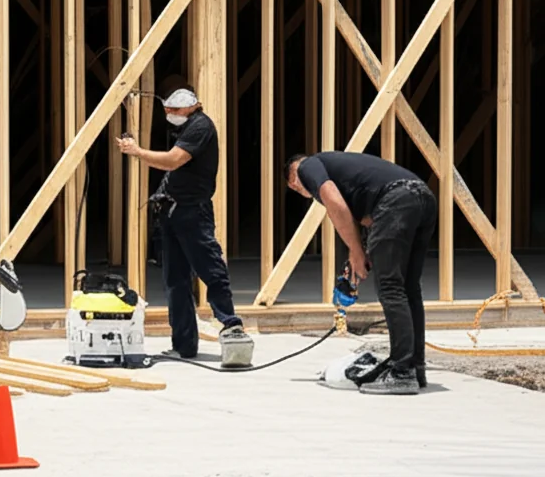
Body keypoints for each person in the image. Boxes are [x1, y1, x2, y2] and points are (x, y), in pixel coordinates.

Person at [284, 151, 437, 395]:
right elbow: (368, 219)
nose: (300, 189)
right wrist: (360, 252)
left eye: (296, 186)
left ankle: (401, 373)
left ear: (293, 179)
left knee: (391, 287)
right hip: (422, 196)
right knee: (408, 288)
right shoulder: (348, 174)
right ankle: (413, 367)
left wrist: (355, 250)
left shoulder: (307, 166)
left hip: (395, 199)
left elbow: (333, 200)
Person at [116, 87, 249, 359]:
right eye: (167, 110)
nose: (170, 115)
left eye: (175, 111)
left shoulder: (201, 127)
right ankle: (184, 345)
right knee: (175, 280)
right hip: (172, 212)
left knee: (211, 268)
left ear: (193, 107)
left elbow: (173, 161)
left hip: (192, 212)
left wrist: (137, 151)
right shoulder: (186, 126)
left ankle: (231, 324)